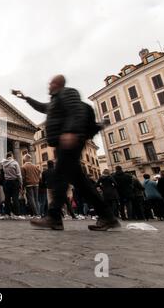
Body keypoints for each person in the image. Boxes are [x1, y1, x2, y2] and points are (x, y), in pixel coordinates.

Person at [16, 75, 119, 231]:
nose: (48, 85)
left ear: (57, 84)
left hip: (69, 140)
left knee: (60, 177)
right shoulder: (55, 101)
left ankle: (54, 217)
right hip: (66, 140)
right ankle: (107, 217)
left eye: (50, 83)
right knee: (81, 183)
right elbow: (42, 107)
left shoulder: (67, 93)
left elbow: (75, 110)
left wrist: (71, 131)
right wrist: (26, 98)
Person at [2, 152, 23, 218]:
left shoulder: (3, 164)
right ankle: (17, 214)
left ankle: (7, 214)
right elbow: (19, 174)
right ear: (12, 156)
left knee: (7, 198)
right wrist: (21, 183)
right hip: (14, 181)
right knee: (15, 198)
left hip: (6, 182)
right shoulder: (15, 163)